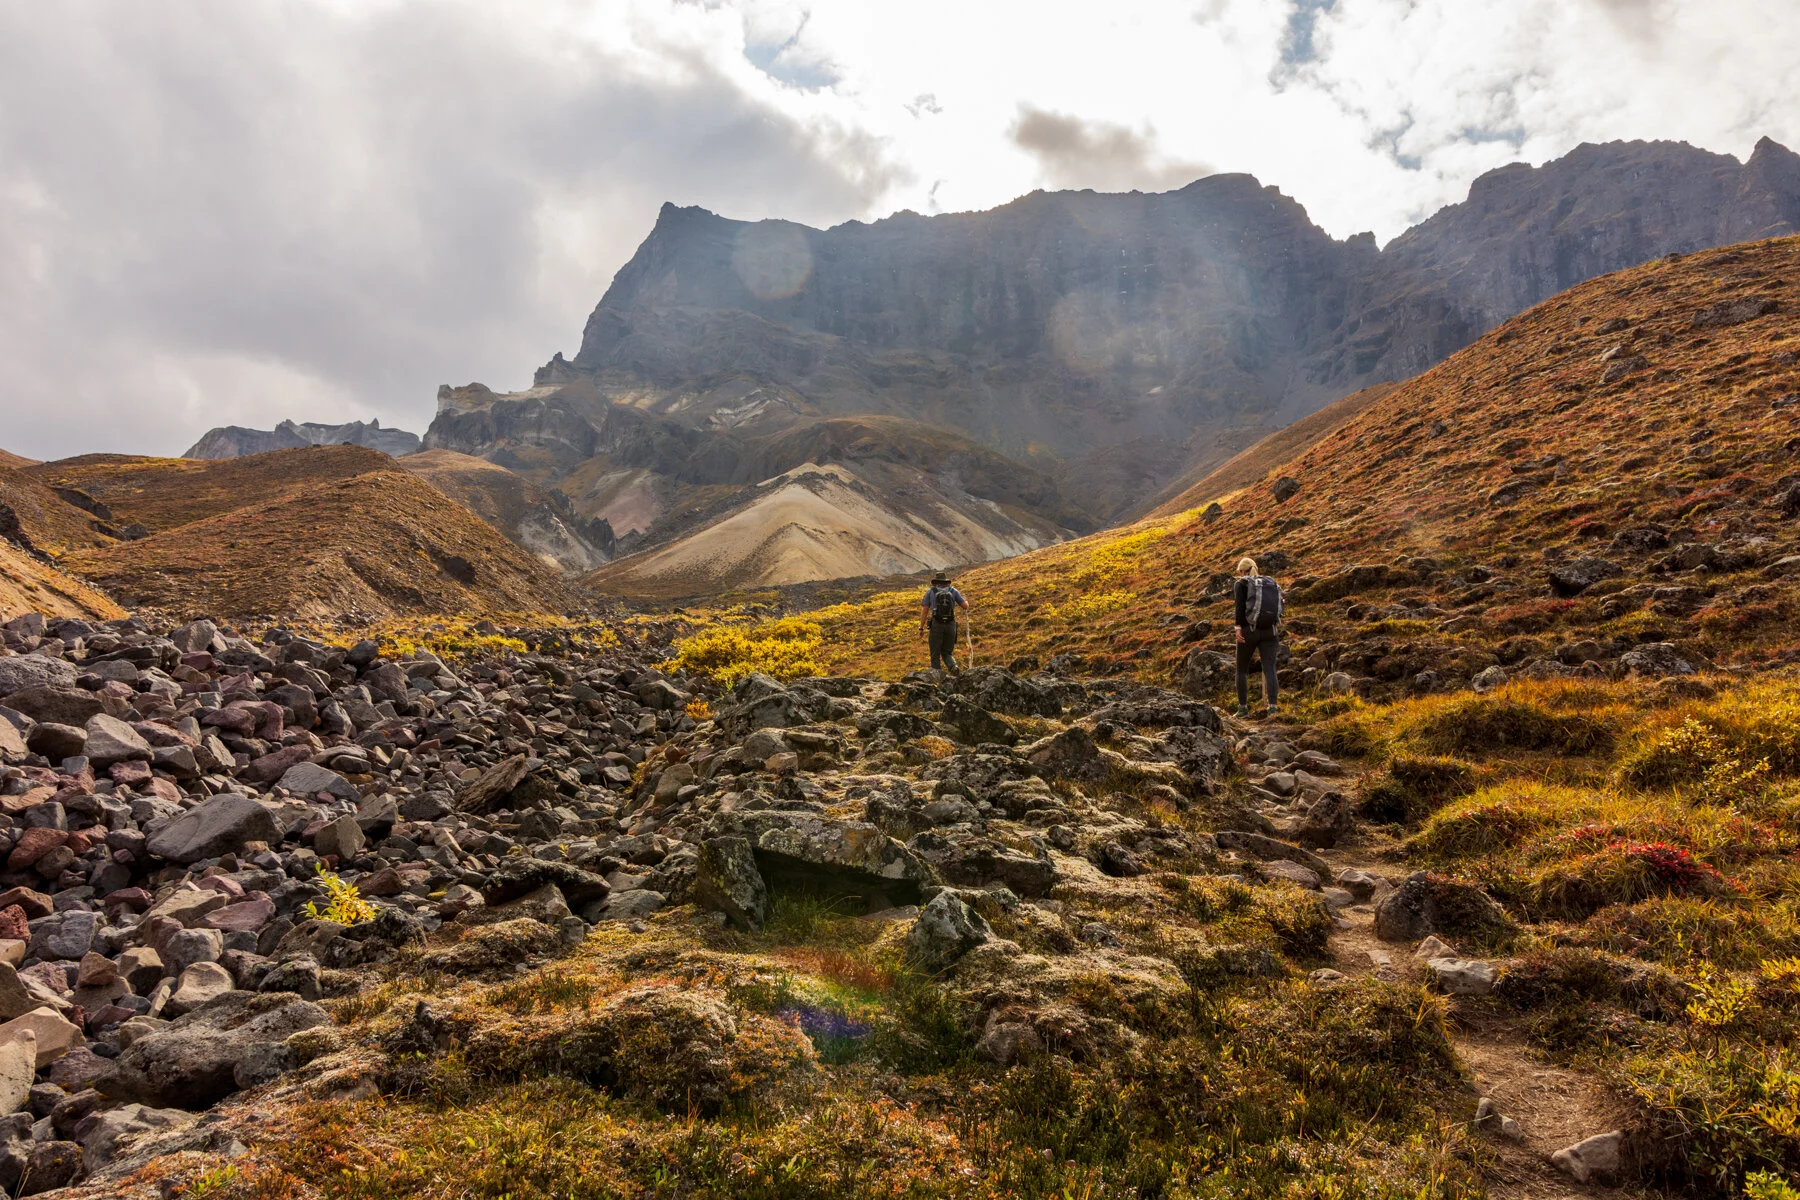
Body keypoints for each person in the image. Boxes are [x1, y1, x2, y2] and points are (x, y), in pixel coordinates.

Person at [1233, 556, 1282, 718]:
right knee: (1270, 668)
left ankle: (1243, 708)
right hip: (1270, 631)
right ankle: (1273, 707)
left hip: (1249, 631)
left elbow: (1239, 609)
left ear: (1242, 571)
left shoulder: (1241, 584)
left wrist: (1238, 628)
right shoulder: (1270, 583)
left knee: (1241, 670)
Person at [920, 572, 969, 672]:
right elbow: (965, 606)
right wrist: (966, 601)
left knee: (935, 652)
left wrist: (921, 627)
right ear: (946, 582)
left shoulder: (930, 592)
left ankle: (937, 675)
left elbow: (925, 611)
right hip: (951, 625)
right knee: (947, 652)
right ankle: (954, 668)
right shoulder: (953, 591)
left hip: (936, 625)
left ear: (936, 582)